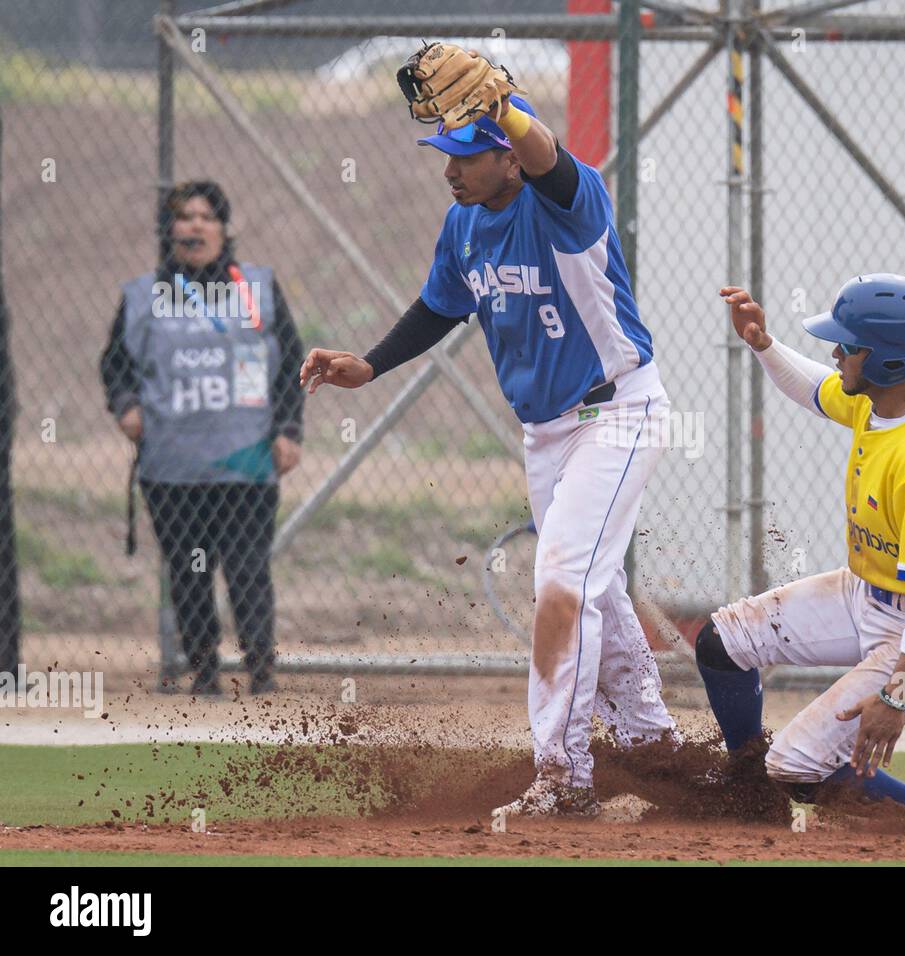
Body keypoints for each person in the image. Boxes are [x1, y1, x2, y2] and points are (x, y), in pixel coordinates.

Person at [300, 81, 678, 817]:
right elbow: (442, 304)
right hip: (545, 434)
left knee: (562, 580)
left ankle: (562, 775)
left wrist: (502, 107)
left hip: (617, 414)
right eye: (446, 155)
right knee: (597, 590)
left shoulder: (570, 204)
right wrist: (371, 364)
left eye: (467, 156)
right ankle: (650, 743)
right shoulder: (463, 223)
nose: (450, 170)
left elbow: (553, 159)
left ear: (510, 157)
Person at [697, 275, 905, 823]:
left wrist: (896, 695)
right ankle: (748, 789)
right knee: (722, 642)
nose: (835, 351)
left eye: (848, 344)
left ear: (886, 360)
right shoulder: (886, 399)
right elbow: (817, 387)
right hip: (869, 595)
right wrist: (763, 344)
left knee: (796, 767)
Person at [100, 180, 304, 696]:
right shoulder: (145, 296)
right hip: (174, 465)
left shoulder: (256, 288)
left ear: (223, 229)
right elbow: (114, 365)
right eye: (183, 217)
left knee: (248, 567)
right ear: (169, 232)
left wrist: (288, 430)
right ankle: (205, 671)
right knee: (190, 570)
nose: (194, 225)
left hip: (248, 461)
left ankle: (261, 670)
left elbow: (290, 366)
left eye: (205, 216)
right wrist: (125, 407)